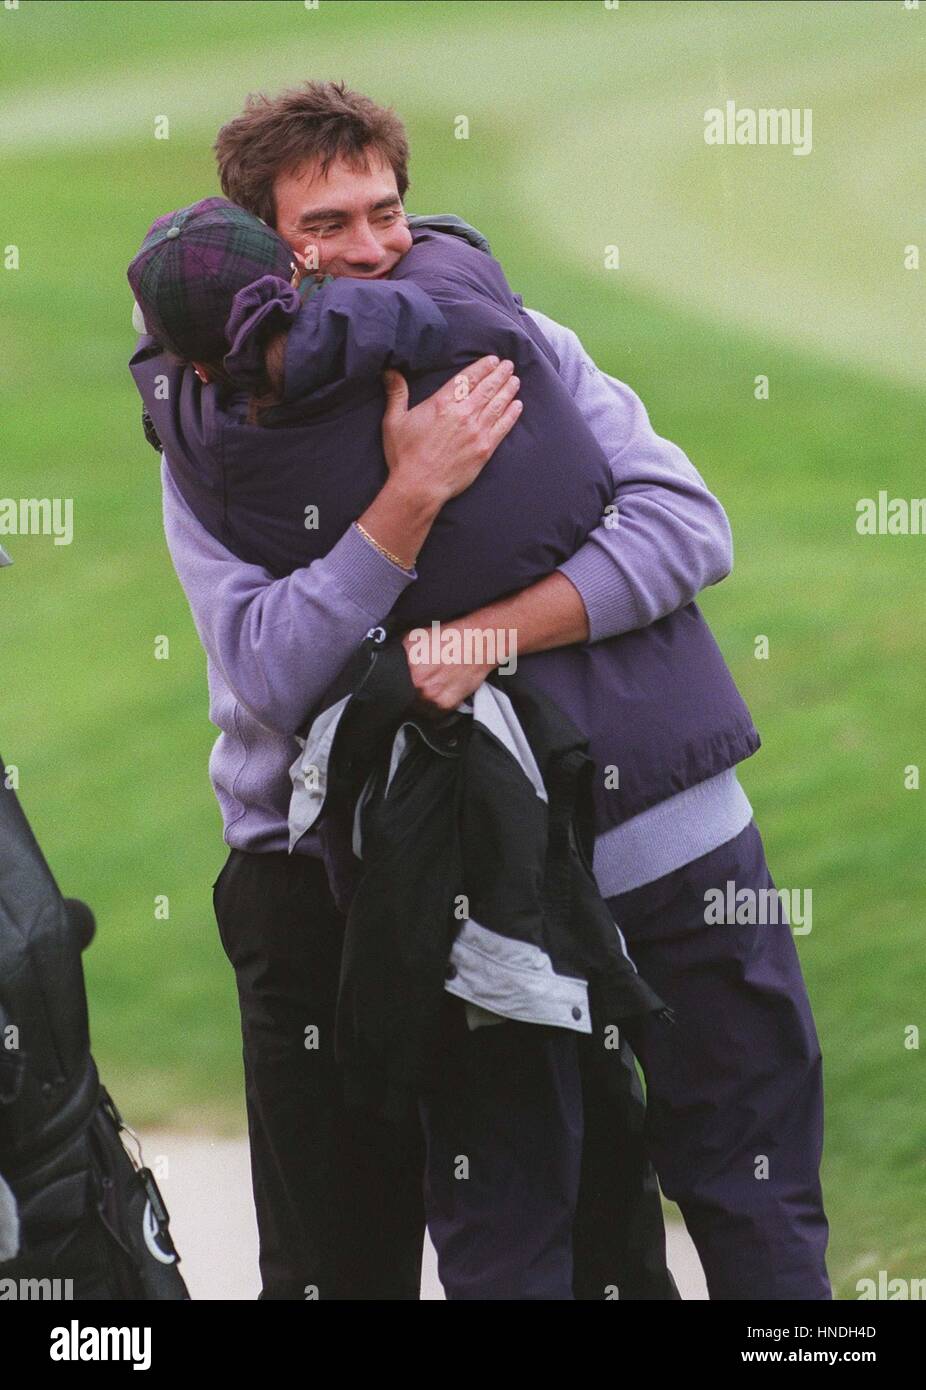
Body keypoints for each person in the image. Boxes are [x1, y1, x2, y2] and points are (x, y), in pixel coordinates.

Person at [140, 79, 831, 1300]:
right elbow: (268, 672)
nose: (368, 248)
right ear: (262, 253)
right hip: (407, 887)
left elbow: (685, 527)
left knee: (702, 1197)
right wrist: (407, 497)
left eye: (385, 211)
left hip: (632, 841)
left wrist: (480, 638)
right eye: (325, 227)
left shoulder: (502, 333)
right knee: (418, 1246)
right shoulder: (214, 445)